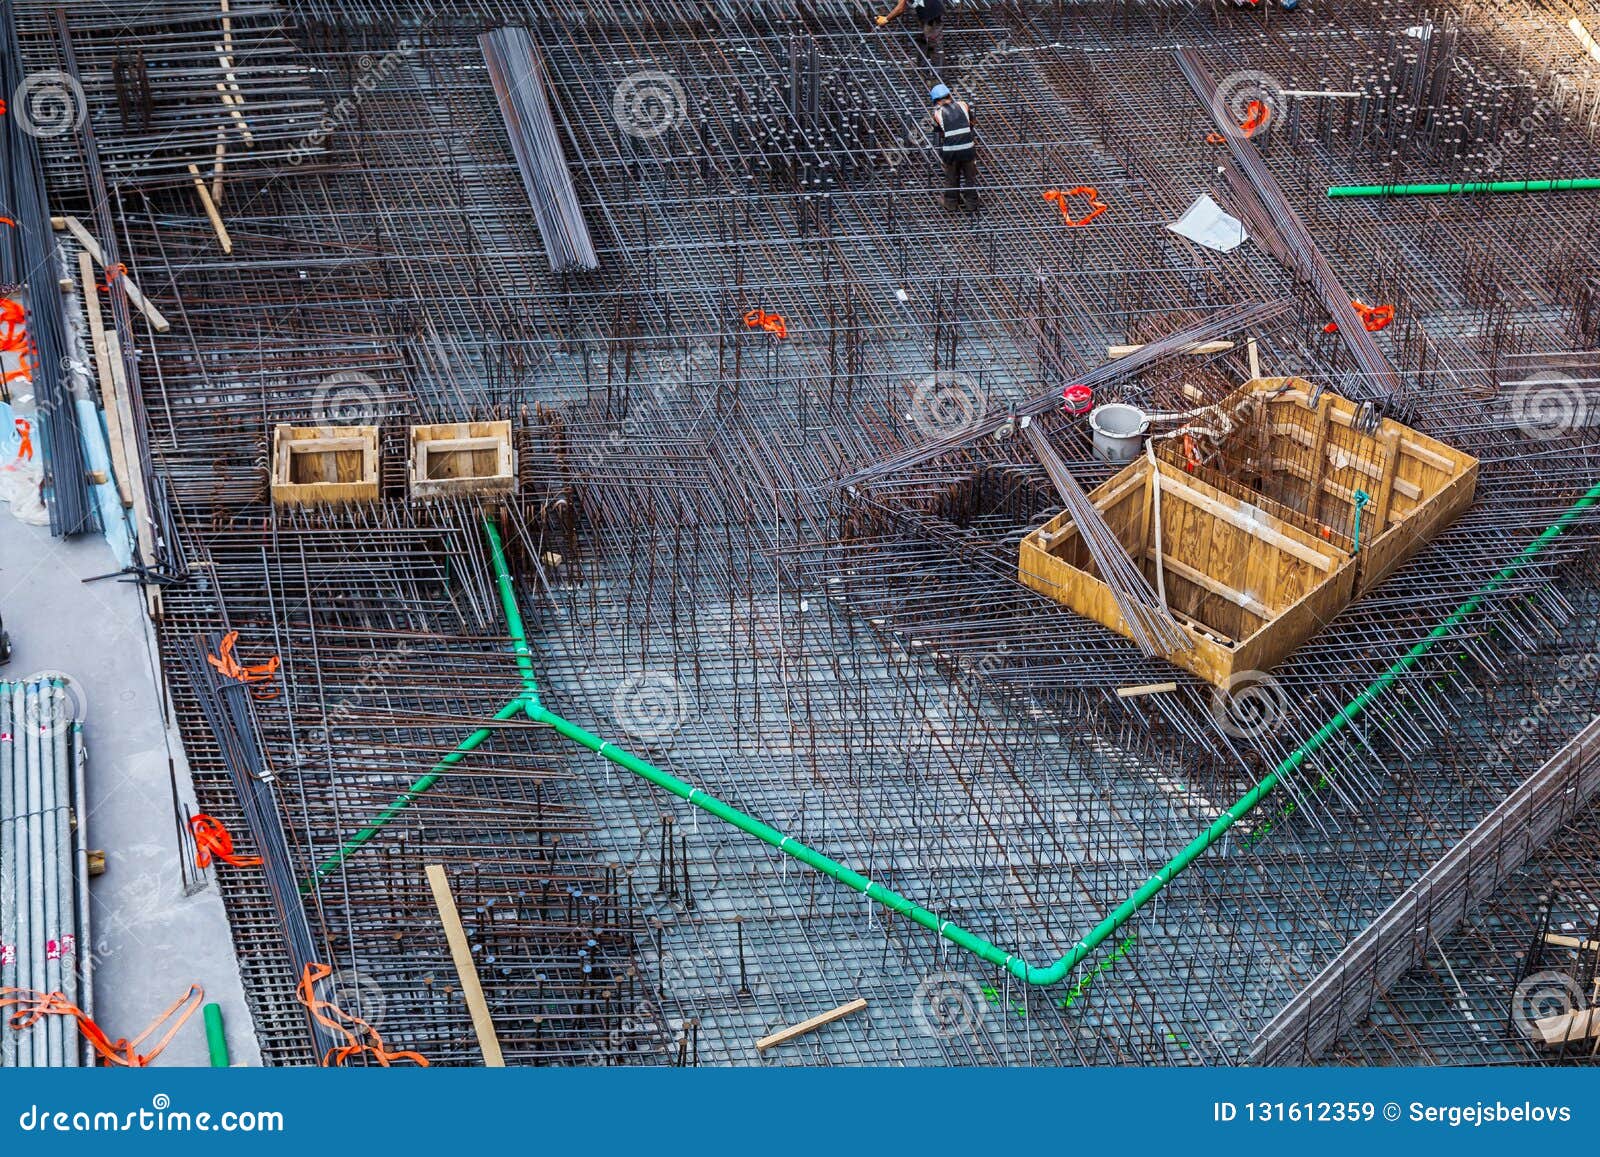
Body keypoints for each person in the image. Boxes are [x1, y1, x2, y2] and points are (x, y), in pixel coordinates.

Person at [928, 83, 978, 212]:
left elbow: (940, 131)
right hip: (968, 148)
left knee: (952, 176)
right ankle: (971, 203)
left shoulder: (937, 113)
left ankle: (951, 203)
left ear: (936, 101)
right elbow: (972, 123)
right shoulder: (963, 105)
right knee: (970, 176)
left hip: (950, 152)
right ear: (950, 95)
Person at [876, 0, 945, 68]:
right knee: (922, 40)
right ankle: (921, 66)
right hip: (926, 14)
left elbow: (900, 9)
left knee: (933, 42)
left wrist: (886, 19)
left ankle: (937, 71)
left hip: (932, 14)